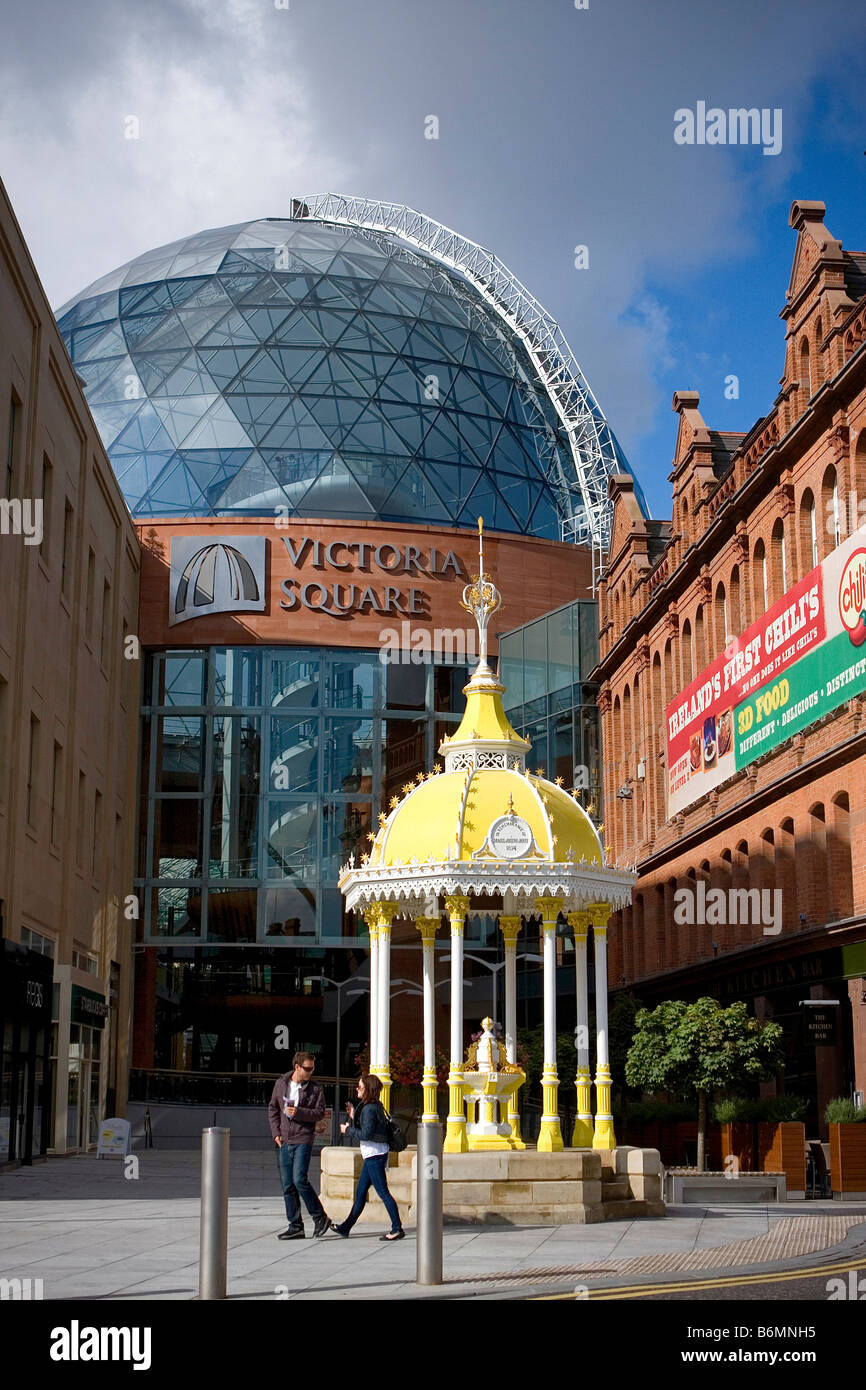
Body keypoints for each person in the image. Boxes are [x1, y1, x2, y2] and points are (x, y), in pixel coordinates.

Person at [330, 1073, 404, 1241]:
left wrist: (347, 1130)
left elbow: (366, 1134)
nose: (357, 1089)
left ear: (368, 1089)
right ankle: (345, 1227)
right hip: (374, 1154)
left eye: (360, 1087)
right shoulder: (373, 1105)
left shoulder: (370, 1108)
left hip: (374, 1155)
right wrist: (354, 1114)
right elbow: (369, 1127)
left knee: (383, 1192)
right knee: (361, 1193)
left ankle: (397, 1228)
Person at [268, 1051, 331, 1240]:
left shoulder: (315, 1088)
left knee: (299, 1180)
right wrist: (276, 1132)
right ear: (297, 1067)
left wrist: (299, 1112)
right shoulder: (281, 1083)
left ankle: (320, 1217)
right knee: (288, 1185)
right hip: (285, 1139)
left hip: (303, 1138)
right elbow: (273, 1108)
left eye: (312, 1069)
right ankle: (295, 1226)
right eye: (307, 1069)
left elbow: (319, 1113)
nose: (311, 1072)